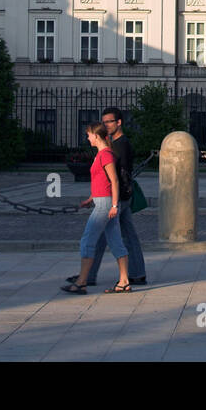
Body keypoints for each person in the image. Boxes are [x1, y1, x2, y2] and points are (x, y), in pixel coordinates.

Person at [66, 107, 147, 289]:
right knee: (119, 236)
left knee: (103, 236)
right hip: (116, 197)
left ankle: (88, 277)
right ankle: (133, 274)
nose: (106, 125)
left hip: (117, 198)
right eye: (104, 122)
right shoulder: (113, 144)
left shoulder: (121, 145)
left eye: (109, 121)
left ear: (119, 122)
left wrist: (115, 201)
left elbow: (119, 175)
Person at [61, 122, 133, 294]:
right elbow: (103, 182)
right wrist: (91, 198)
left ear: (96, 135)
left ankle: (82, 282)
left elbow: (114, 181)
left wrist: (114, 205)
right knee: (115, 242)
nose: (87, 138)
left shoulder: (105, 155)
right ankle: (124, 281)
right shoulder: (102, 154)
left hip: (106, 205)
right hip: (103, 202)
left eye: (89, 135)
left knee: (87, 241)